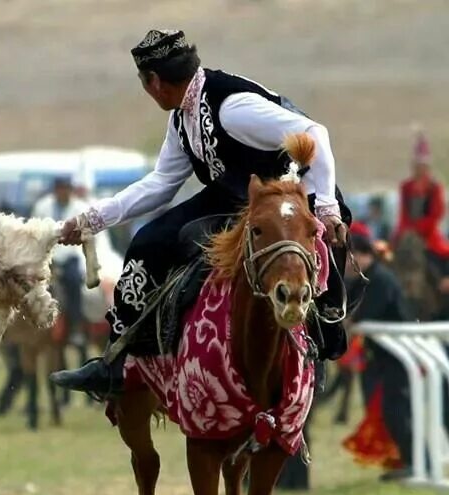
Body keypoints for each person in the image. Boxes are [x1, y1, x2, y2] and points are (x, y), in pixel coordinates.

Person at [50, 29, 351, 396]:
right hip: (233, 198)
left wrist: (327, 207)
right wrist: (92, 220)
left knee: (296, 246)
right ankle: (118, 363)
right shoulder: (182, 118)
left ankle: (326, 327)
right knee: (148, 243)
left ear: (154, 82)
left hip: (285, 194)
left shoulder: (231, 107)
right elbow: (161, 184)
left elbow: (314, 133)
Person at [343, 223, 414, 479]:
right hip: (378, 357)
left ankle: (413, 462)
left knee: (396, 409)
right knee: (383, 410)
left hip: (398, 356)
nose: (347, 264)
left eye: (350, 257)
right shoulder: (360, 280)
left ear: (364, 255)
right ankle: (401, 461)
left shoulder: (381, 279)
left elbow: (360, 316)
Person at [30, 176, 90, 352]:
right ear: (55, 190)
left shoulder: (80, 208)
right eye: (60, 189)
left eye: (66, 189)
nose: (63, 192)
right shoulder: (42, 207)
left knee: (73, 281)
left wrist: (62, 262)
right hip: (47, 257)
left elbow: (84, 236)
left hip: (70, 256)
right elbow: (35, 233)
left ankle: (76, 328)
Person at [392, 131, 449, 263]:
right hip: (408, 230)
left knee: (439, 257)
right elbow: (404, 214)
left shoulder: (434, 187)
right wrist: (405, 232)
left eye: (423, 167)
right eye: (417, 167)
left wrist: (419, 229)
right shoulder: (406, 187)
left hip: (428, 233)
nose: (420, 170)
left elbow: (436, 214)